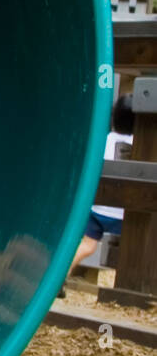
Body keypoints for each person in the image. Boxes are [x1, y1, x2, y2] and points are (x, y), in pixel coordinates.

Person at [70, 94, 135, 274]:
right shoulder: (137, 144)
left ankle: (61, 277)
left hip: (97, 210)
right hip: (122, 215)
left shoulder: (104, 140)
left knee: (87, 245)